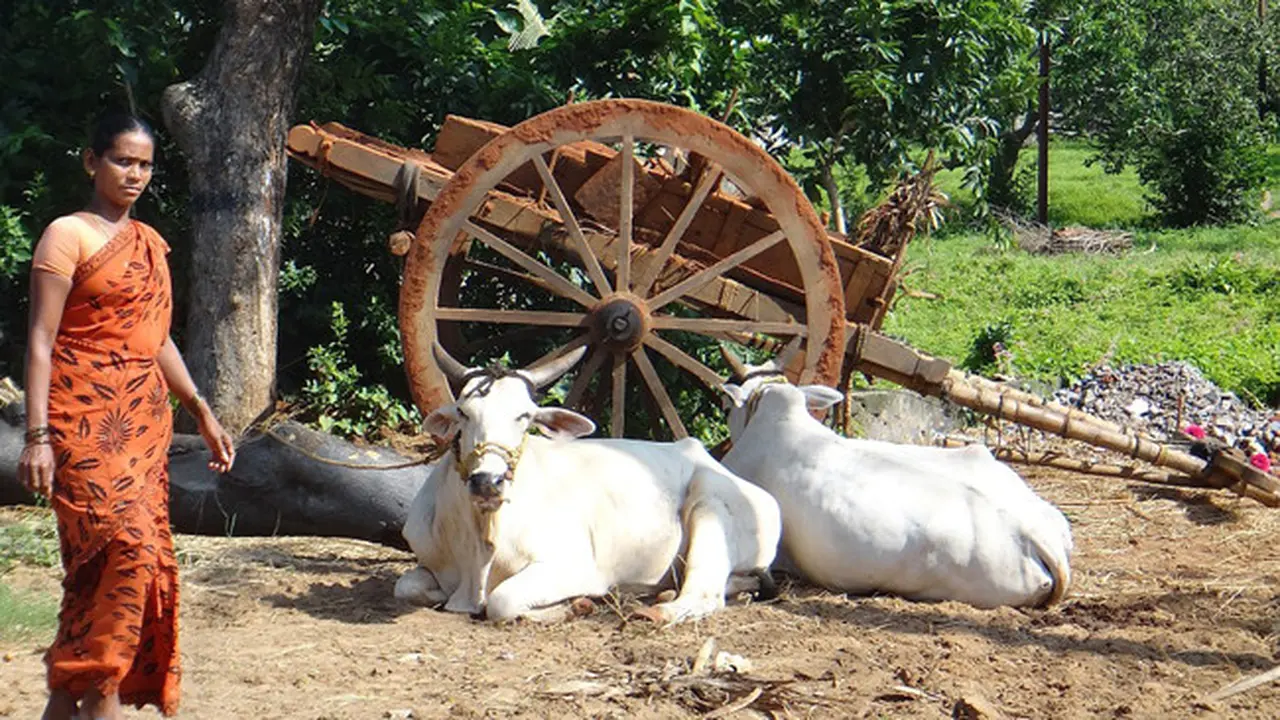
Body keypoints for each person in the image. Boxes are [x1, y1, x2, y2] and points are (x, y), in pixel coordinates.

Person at [18, 110, 236, 720]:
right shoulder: (68, 235)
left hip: (142, 424)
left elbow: (156, 339)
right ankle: (102, 696)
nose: (134, 174)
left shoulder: (148, 244)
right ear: (92, 162)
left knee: (117, 569)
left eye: (144, 164)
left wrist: (200, 407)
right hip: (80, 416)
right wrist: (37, 438)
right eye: (122, 161)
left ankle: (71, 697)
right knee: (125, 548)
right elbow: (40, 339)